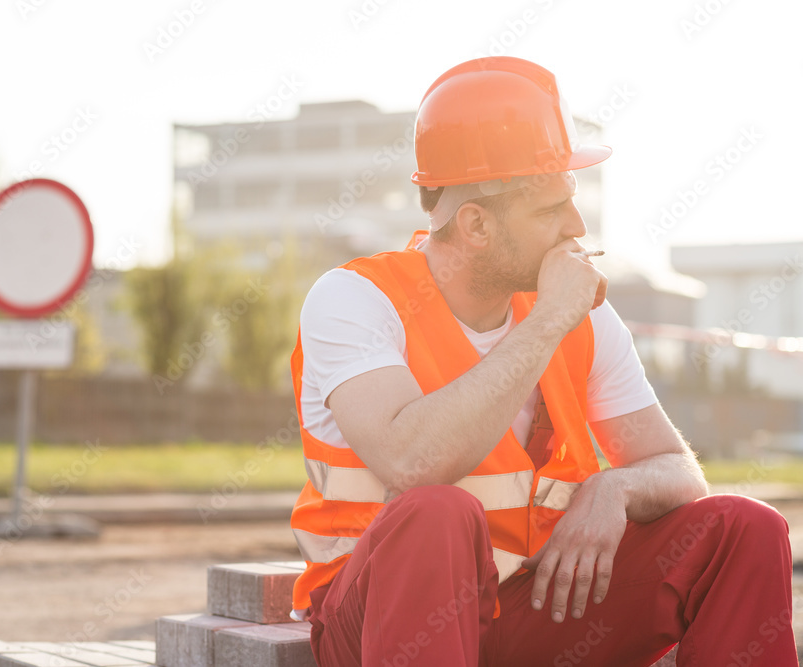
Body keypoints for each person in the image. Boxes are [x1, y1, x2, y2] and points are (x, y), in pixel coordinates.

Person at [288, 57, 797, 666]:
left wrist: (617, 487)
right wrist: (550, 319)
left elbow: (679, 470)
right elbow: (412, 463)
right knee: (435, 511)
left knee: (744, 529)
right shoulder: (354, 299)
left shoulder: (581, 312)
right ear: (474, 223)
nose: (577, 227)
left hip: (537, 608)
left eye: (572, 201)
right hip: (383, 621)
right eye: (549, 209)